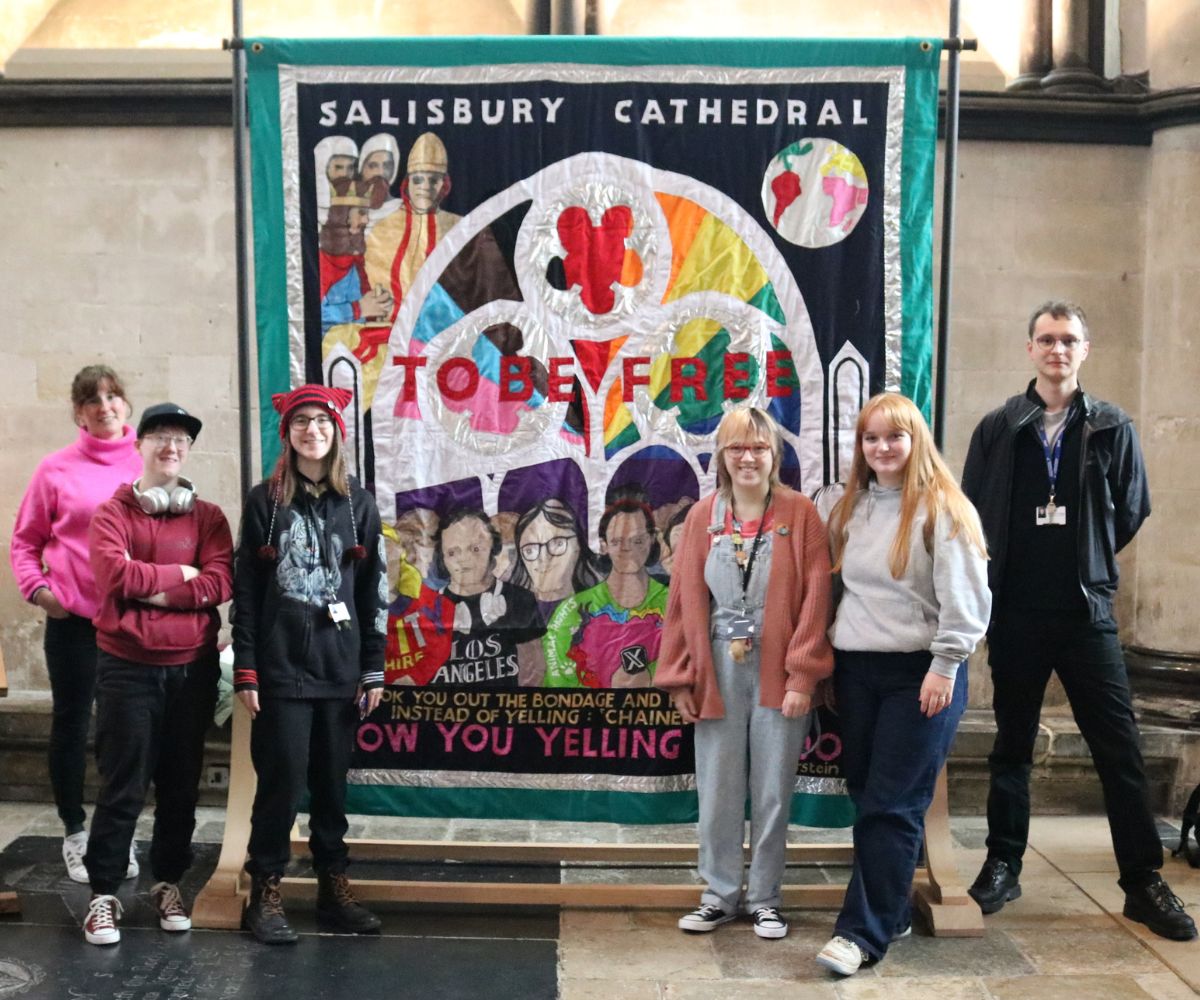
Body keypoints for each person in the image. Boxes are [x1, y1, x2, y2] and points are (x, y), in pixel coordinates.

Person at [962, 301, 1197, 941]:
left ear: (1084, 350)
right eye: (1046, 339)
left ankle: (1143, 882)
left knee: (1118, 748)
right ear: (1030, 348)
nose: (1057, 349)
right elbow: (974, 509)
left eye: (1068, 340)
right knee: (1010, 747)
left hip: (1084, 611)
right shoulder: (1000, 426)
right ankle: (1003, 863)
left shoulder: (1112, 426)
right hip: (1014, 610)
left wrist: (1088, 551)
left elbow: (1133, 506)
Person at [815, 392, 990, 976]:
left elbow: (968, 602)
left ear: (916, 441)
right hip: (857, 671)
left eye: (894, 436)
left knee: (891, 804)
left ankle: (860, 935)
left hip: (920, 673)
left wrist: (945, 666)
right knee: (868, 793)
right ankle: (892, 911)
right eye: (871, 438)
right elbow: (844, 592)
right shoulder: (850, 508)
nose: (882, 448)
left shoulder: (944, 509)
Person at [656, 406, 833, 940]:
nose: (748, 457)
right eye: (737, 448)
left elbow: (816, 599)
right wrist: (682, 676)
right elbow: (684, 603)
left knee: (774, 789)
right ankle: (718, 895)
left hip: (778, 665)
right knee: (717, 785)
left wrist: (803, 676)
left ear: (774, 455)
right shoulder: (702, 516)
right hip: (717, 666)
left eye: (758, 447)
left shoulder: (799, 514)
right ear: (722, 457)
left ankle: (765, 898)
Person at [233, 384, 387, 945]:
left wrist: (373, 666)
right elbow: (245, 591)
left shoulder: (360, 505)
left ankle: (332, 887)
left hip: (340, 669)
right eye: (302, 422)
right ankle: (266, 890)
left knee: (330, 785)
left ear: (336, 432)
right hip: (280, 672)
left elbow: (374, 591)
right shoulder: (263, 504)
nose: (312, 431)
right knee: (282, 783)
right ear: (288, 433)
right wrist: (246, 667)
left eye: (322, 421)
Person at [82, 403, 233, 946]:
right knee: (122, 786)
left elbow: (218, 583)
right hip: (128, 670)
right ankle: (102, 895)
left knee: (179, 788)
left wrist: (150, 586)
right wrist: (180, 577)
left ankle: (167, 883)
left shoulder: (210, 517)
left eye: (181, 440)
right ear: (139, 444)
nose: (171, 447)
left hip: (190, 672)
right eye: (161, 437)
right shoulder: (112, 513)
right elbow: (113, 575)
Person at [10, 365, 142, 884]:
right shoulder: (55, 469)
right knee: (72, 725)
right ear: (78, 412)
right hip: (74, 623)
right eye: (92, 400)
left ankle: (116, 834)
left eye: (113, 396)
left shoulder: (146, 461)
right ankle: (75, 831)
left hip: (132, 620)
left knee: (127, 730)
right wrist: (41, 592)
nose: (104, 406)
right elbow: (25, 542)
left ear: (126, 404)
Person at [543, 499, 669, 688]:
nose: (628, 549)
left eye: (638, 540)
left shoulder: (674, 601)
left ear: (652, 540)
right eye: (617, 541)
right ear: (603, 545)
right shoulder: (574, 610)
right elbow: (558, 684)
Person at [509, 498, 603, 621]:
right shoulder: (511, 614)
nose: (543, 558)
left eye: (557, 544)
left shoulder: (601, 608)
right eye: (530, 550)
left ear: (578, 545)